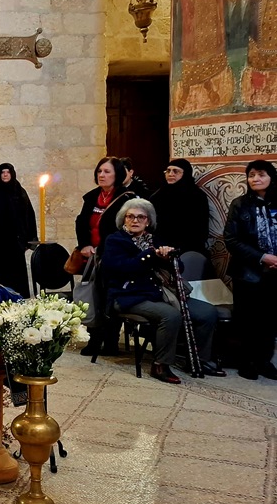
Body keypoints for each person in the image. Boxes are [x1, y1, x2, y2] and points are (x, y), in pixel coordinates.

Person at [101, 198, 222, 384]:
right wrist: (150, 254)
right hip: (128, 296)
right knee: (171, 315)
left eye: (141, 217)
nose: (135, 221)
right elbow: (120, 268)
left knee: (207, 312)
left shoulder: (154, 239)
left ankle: (199, 360)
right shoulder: (115, 240)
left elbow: (178, 268)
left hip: (161, 292)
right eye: (130, 216)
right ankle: (161, 365)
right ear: (123, 219)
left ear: (148, 221)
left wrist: (168, 257)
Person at [223, 160, 277, 380]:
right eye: (251, 175)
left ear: (272, 177)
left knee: (269, 319)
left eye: (261, 174)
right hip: (248, 272)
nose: (255, 179)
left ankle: (264, 360)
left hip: (275, 272)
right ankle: (245, 362)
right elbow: (231, 239)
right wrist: (262, 257)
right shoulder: (240, 204)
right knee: (246, 319)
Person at [0, 163, 37, 297]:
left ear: (12, 174)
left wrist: (30, 238)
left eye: (7, 172)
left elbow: (28, 215)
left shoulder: (19, 191)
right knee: (0, 271)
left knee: (16, 271)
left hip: (16, 240)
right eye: (2, 172)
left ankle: (19, 296)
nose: (5, 175)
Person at [74, 157, 133, 262]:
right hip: (92, 254)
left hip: (115, 254)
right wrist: (84, 245)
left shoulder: (127, 199)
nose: (101, 175)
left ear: (117, 174)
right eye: (99, 171)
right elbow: (81, 222)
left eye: (107, 172)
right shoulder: (91, 197)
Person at [150, 158, 210, 254]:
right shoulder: (158, 195)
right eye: (168, 171)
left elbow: (200, 227)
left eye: (176, 171)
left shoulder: (196, 196)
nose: (170, 174)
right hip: (161, 247)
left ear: (185, 174)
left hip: (188, 248)